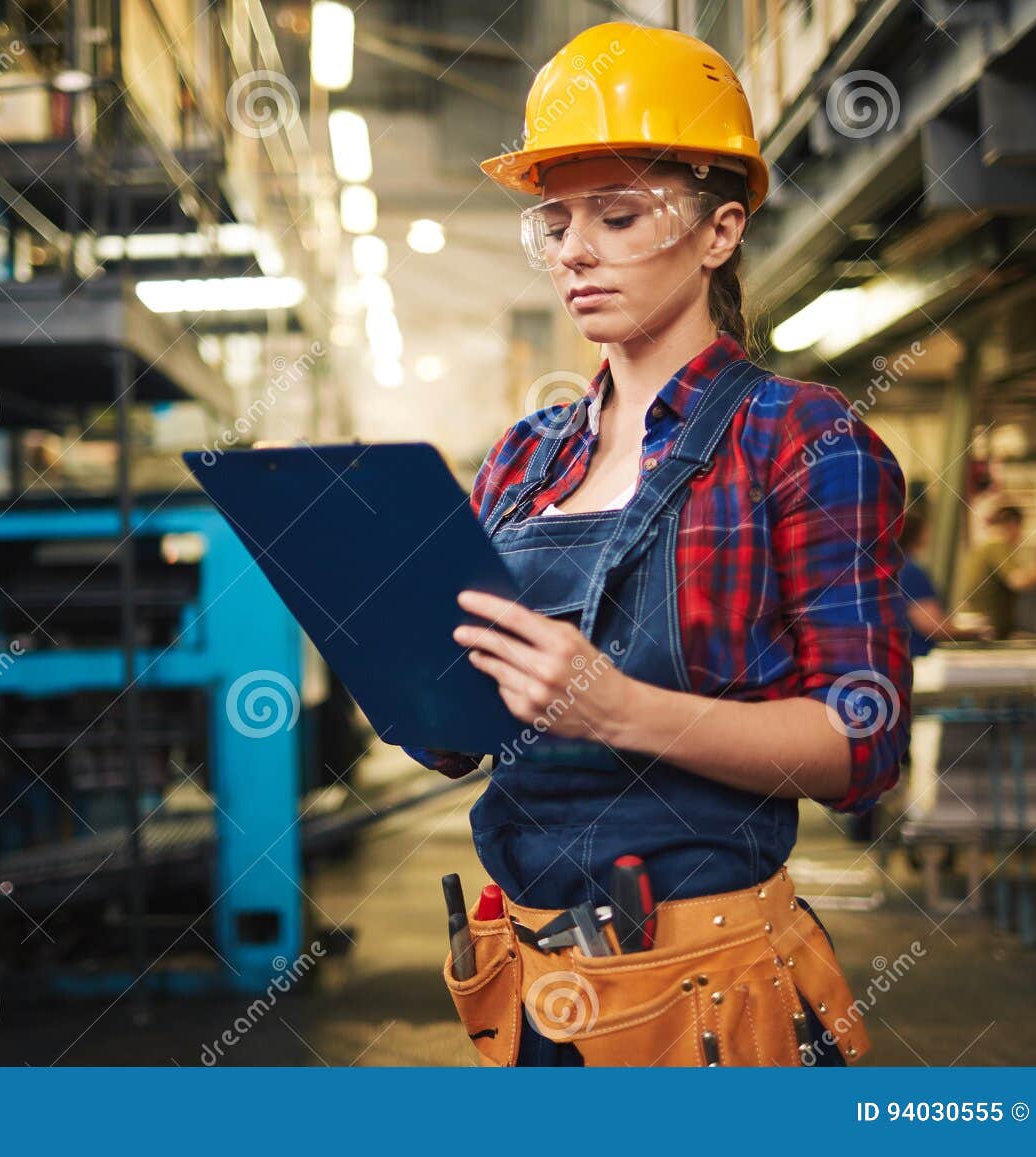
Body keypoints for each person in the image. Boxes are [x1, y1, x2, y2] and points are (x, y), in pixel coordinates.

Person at [405, 23, 911, 1068]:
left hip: (709, 1001)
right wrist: (392, 657)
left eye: (618, 214)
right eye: (554, 222)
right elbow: (456, 744)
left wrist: (620, 707)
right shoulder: (523, 457)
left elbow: (864, 745)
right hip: (534, 991)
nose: (575, 250)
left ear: (718, 230)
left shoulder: (798, 439)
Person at [895, 505, 985, 657]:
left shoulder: (894, 567)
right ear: (917, 534)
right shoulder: (911, 571)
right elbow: (931, 625)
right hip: (917, 658)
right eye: (926, 530)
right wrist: (971, 633)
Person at [960, 505, 1036, 639]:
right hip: (986, 628)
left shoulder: (984, 546)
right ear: (1013, 525)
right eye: (1021, 529)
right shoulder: (997, 545)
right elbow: (1018, 581)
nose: (1021, 536)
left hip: (982, 624)